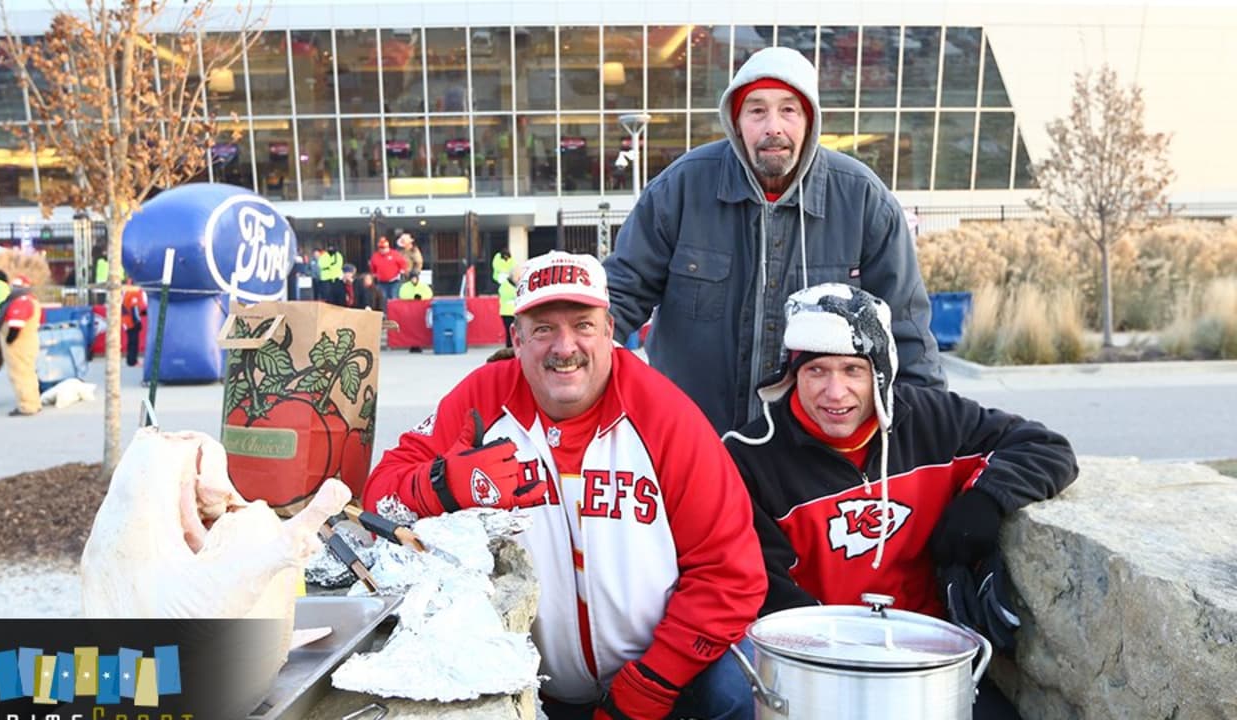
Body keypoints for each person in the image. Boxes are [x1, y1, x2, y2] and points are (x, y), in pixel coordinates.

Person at [364, 251, 765, 720]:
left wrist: (650, 686)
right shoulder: (483, 397)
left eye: (583, 325)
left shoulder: (663, 414)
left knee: (734, 690)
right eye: (543, 329)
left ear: (610, 331)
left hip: (663, 680)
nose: (564, 346)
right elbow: (378, 504)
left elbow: (731, 574)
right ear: (516, 339)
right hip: (525, 683)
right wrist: (440, 486)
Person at [724, 283, 1079, 720]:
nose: (835, 393)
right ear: (791, 374)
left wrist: (985, 500)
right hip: (819, 672)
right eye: (816, 371)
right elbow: (765, 594)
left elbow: (1046, 447)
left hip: (931, 663)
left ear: (880, 372)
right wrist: (856, 667)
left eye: (852, 370)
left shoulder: (932, 420)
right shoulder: (747, 458)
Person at [602, 46, 945, 435]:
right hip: (693, 440)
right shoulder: (680, 188)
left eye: (788, 110)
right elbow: (618, 296)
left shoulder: (863, 199)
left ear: (809, 120)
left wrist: (928, 437)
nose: (773, 128)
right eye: (757, 110)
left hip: (813, 454)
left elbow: (906, 331)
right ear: (736, 121)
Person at [0, 275, 42, 416]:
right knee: (29, 373)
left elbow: (16, 325)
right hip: (29, 342)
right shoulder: (32, 300)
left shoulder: (21, 302)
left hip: (19, 345)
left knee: (19, 374)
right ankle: (34, 402)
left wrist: (10, 340)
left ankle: (26, 405)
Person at [120, 278, 148, 367]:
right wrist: (137, 322)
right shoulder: (134, 292)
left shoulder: (127, 292)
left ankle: (131, 360)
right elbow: (134, 309)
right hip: (131, 321)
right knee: (133, 342)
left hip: (126, 319)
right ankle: (132, 361)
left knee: (131, 341)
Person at [496, 265, 516, 348]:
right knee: (510, 333)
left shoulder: (513, 285)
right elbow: (511, 295)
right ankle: (509, 349)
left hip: (513, 312)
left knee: (514, 333)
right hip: (507, 312)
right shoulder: (505, 286)